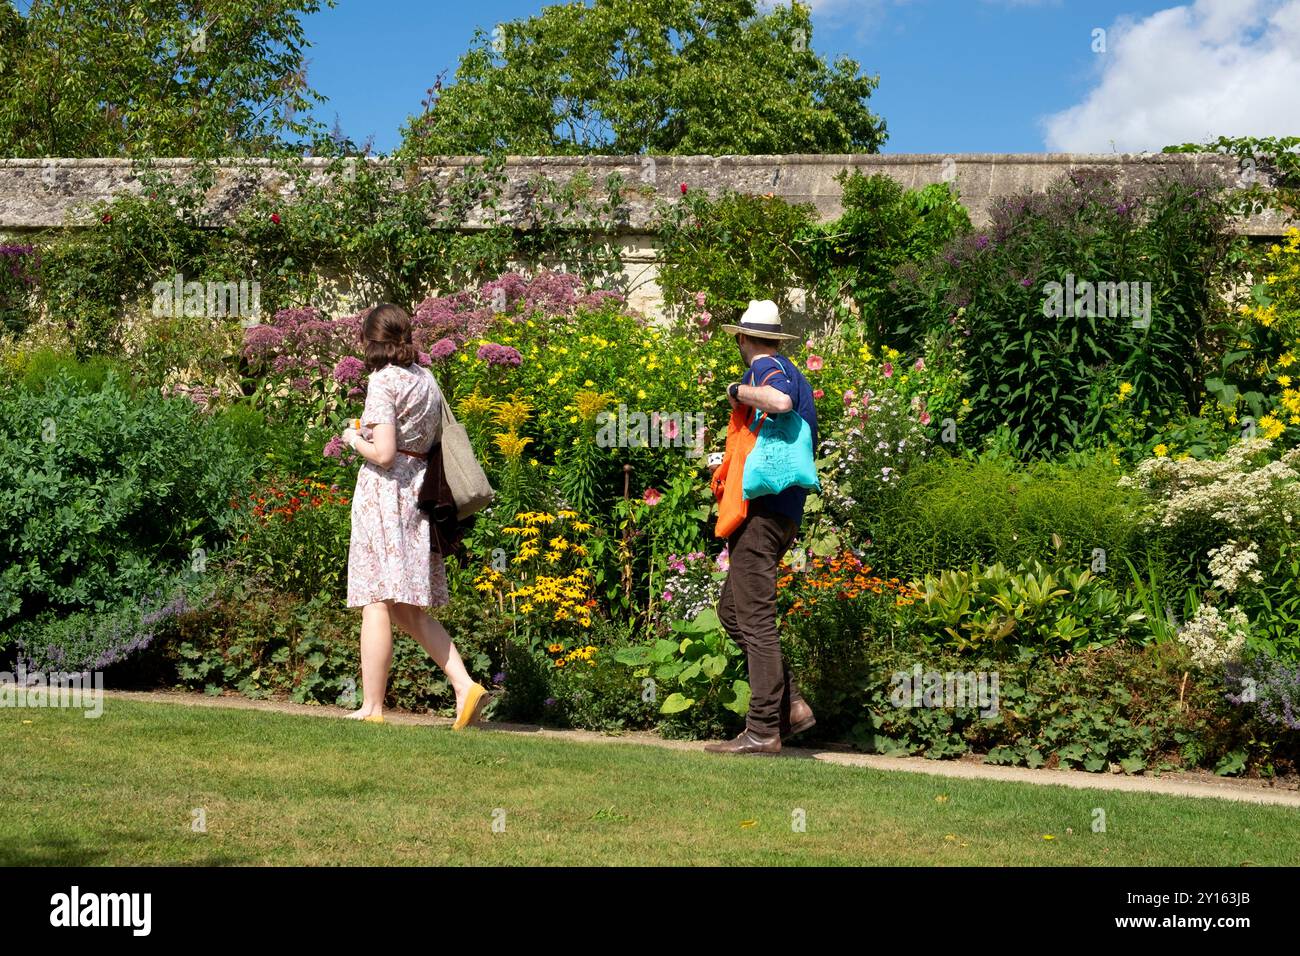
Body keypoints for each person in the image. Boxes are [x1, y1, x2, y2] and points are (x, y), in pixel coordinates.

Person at [340, 303, 489, 729]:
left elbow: (384, 455)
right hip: (417, 494)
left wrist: (353, 438)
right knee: (406, 608)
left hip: (384, 496)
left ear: (371, 341)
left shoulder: (383, 381)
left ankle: (372, 708)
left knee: (375, 599)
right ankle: (465, 686)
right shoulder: (427, 378)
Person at [705, 300, 818, 756]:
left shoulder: (767, 368)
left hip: (762, 513)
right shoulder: (789, 366)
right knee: (733, 612)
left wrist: (736, 390)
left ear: (742, 339)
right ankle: (790, 707)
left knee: (754, 621)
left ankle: (761, 730)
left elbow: (780, 402)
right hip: (780, 511)